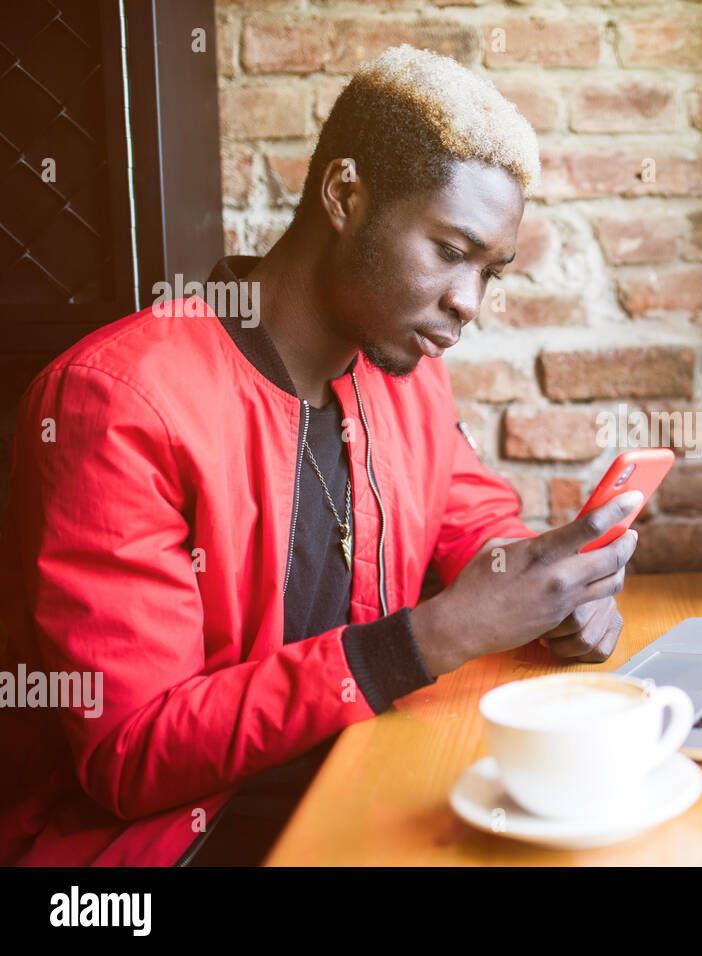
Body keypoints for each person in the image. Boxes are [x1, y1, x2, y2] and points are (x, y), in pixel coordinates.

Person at [0, 44, 639, 866]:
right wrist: (421, 642)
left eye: (490, 270)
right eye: (449, 251)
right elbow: (130, 752)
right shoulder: (115, 400)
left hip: (362, 789)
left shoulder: (407, 379)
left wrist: (555, 594)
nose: (468, 303)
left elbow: (479, 529)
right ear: (345, 195)